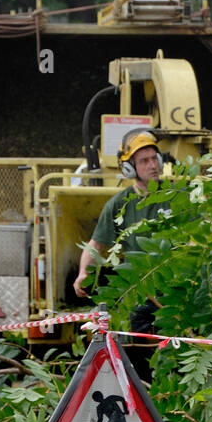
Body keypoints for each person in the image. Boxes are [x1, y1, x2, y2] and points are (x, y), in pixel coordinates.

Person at [72, 130, 163, 381]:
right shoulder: (119, 203)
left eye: (155, 159)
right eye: (144, 161)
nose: (152, 165)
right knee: (136, 356)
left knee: (173, 355)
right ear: (130, 168)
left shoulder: (176, 198)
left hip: (173, 291)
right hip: (139, 292)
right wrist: (83, 273)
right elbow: (96, 244)